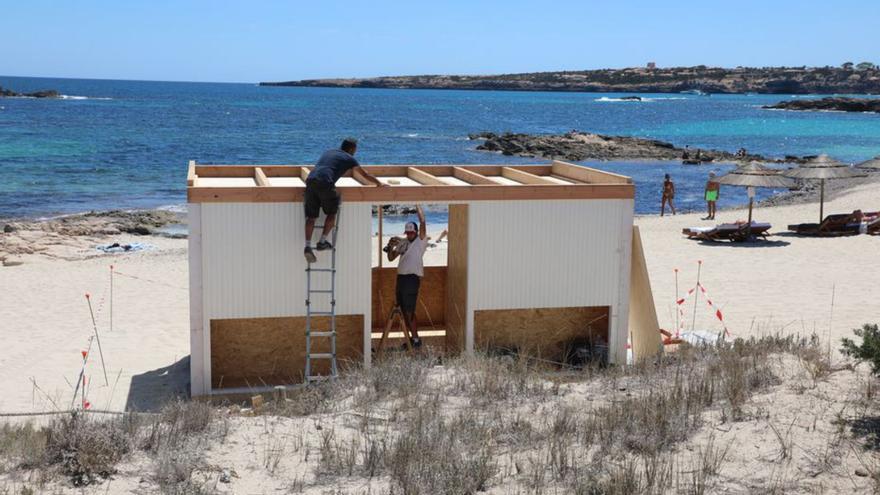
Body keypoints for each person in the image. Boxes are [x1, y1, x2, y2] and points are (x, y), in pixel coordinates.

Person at [304, 138, 386, 263]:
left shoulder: (329, 151)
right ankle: (322, 242)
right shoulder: (349, 158)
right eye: (355, 150)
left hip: (311, 180)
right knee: (331, 213)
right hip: (326, 182)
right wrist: (379, 184)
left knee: (311, 217)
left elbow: (328, 166)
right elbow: (364, 174)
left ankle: (308, 246)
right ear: (352, 149)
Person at [386, 205, 428, 348]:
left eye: (411, 233)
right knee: (403, 311)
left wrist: (418, 207)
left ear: (416, 232)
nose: (409, 235)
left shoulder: (420, 241)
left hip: (411, 279)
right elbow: (391, 258)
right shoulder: (403, 242)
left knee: (409, 311)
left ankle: (416, 339)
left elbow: (423, 223)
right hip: (401, 279)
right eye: (407, 233)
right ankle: (411, 339)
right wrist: (390, 247)